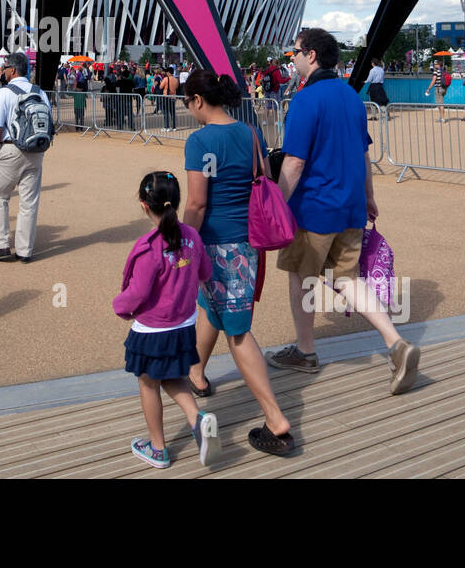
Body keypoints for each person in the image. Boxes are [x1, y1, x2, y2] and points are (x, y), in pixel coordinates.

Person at [267, 28, 421, 395]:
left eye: (296, 53)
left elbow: (294, 163)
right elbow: (363, 153)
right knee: (347, 278)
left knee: (300, 275)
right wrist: (369, 196)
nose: (293, 58)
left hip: (314, 206)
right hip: (350, 204)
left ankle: (305, 351)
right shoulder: (352, 98)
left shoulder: (305, 100)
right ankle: (395, 342)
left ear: (312, 56)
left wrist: (276, 204)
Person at [180, 68, 295, 457]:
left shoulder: (199, 141)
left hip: (215, 243)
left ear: (197, 101)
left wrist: (181, 242)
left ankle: (275, 417)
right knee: (212, 306)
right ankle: (195, 372)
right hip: (248, 241)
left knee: (238, 329)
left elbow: (196, 202)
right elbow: (263, 179)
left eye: (188, 103)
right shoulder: (249, 132)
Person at [114, 171, 219, 470]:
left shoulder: (148, 247)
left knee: (148, 383)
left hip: (151, 330)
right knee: (172, 375)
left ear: (144, 204)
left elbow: (137, 293)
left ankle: (157, 448)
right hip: (183, 326)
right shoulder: (192, 237)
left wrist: (119, 307)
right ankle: (197, 419)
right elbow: (206, 274)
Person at [0, 52, 51, 263]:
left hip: (9, 149)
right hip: (35, 151)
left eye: (5, 68)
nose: (3, 71)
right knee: (29, 202)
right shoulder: (40, 92)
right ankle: (25, 250)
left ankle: (1, 244)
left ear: (13, 70)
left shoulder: (3, 93)